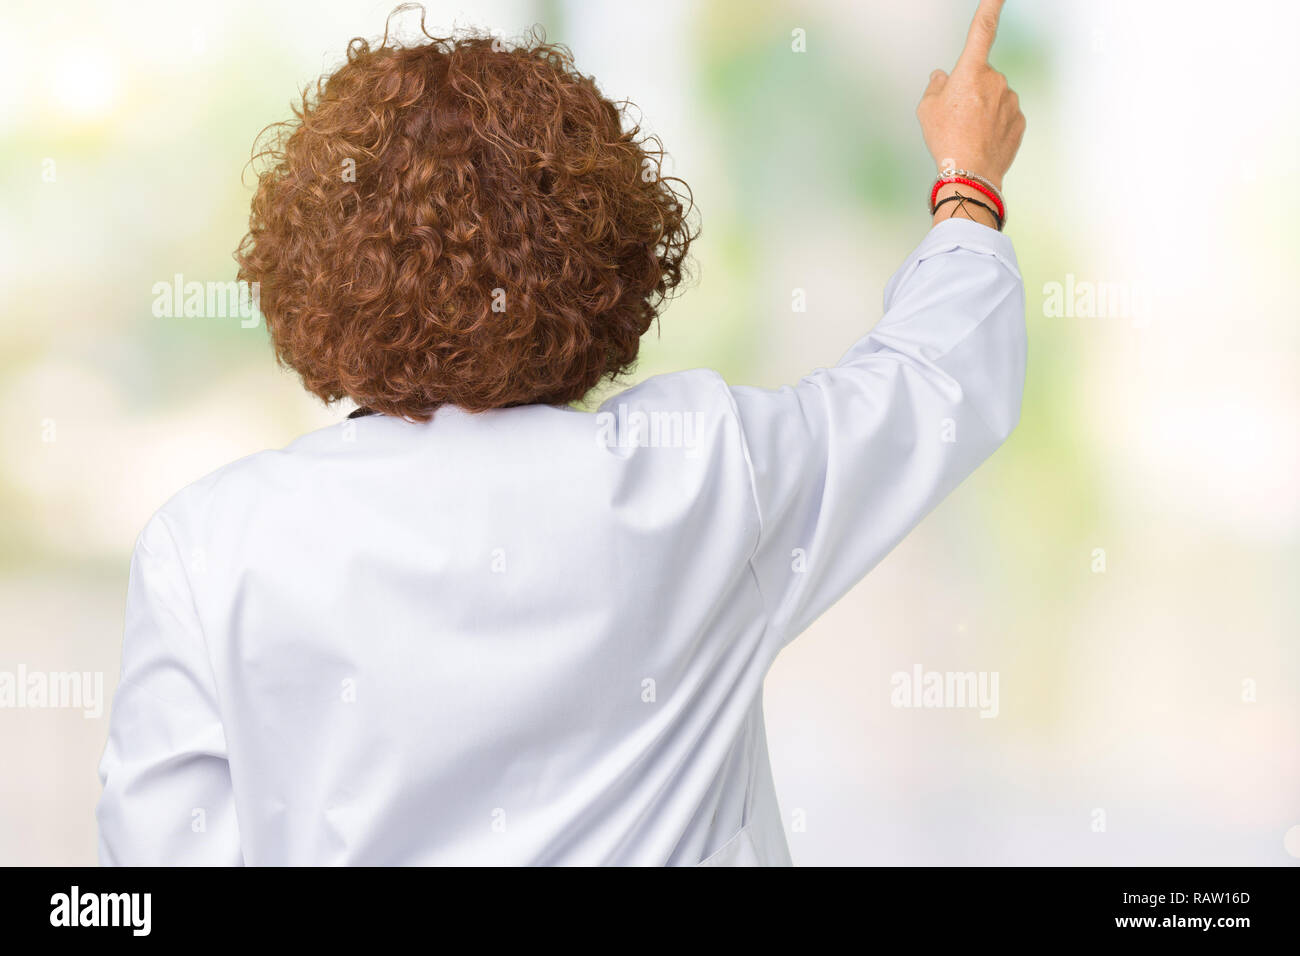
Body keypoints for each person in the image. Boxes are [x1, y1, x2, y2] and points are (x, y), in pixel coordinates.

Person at [97, 0, 1025, 865]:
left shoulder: (211, 544)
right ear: (608, 250)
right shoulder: (701, 474)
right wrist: (967, 179)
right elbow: (933, 378)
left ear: (309, 266)